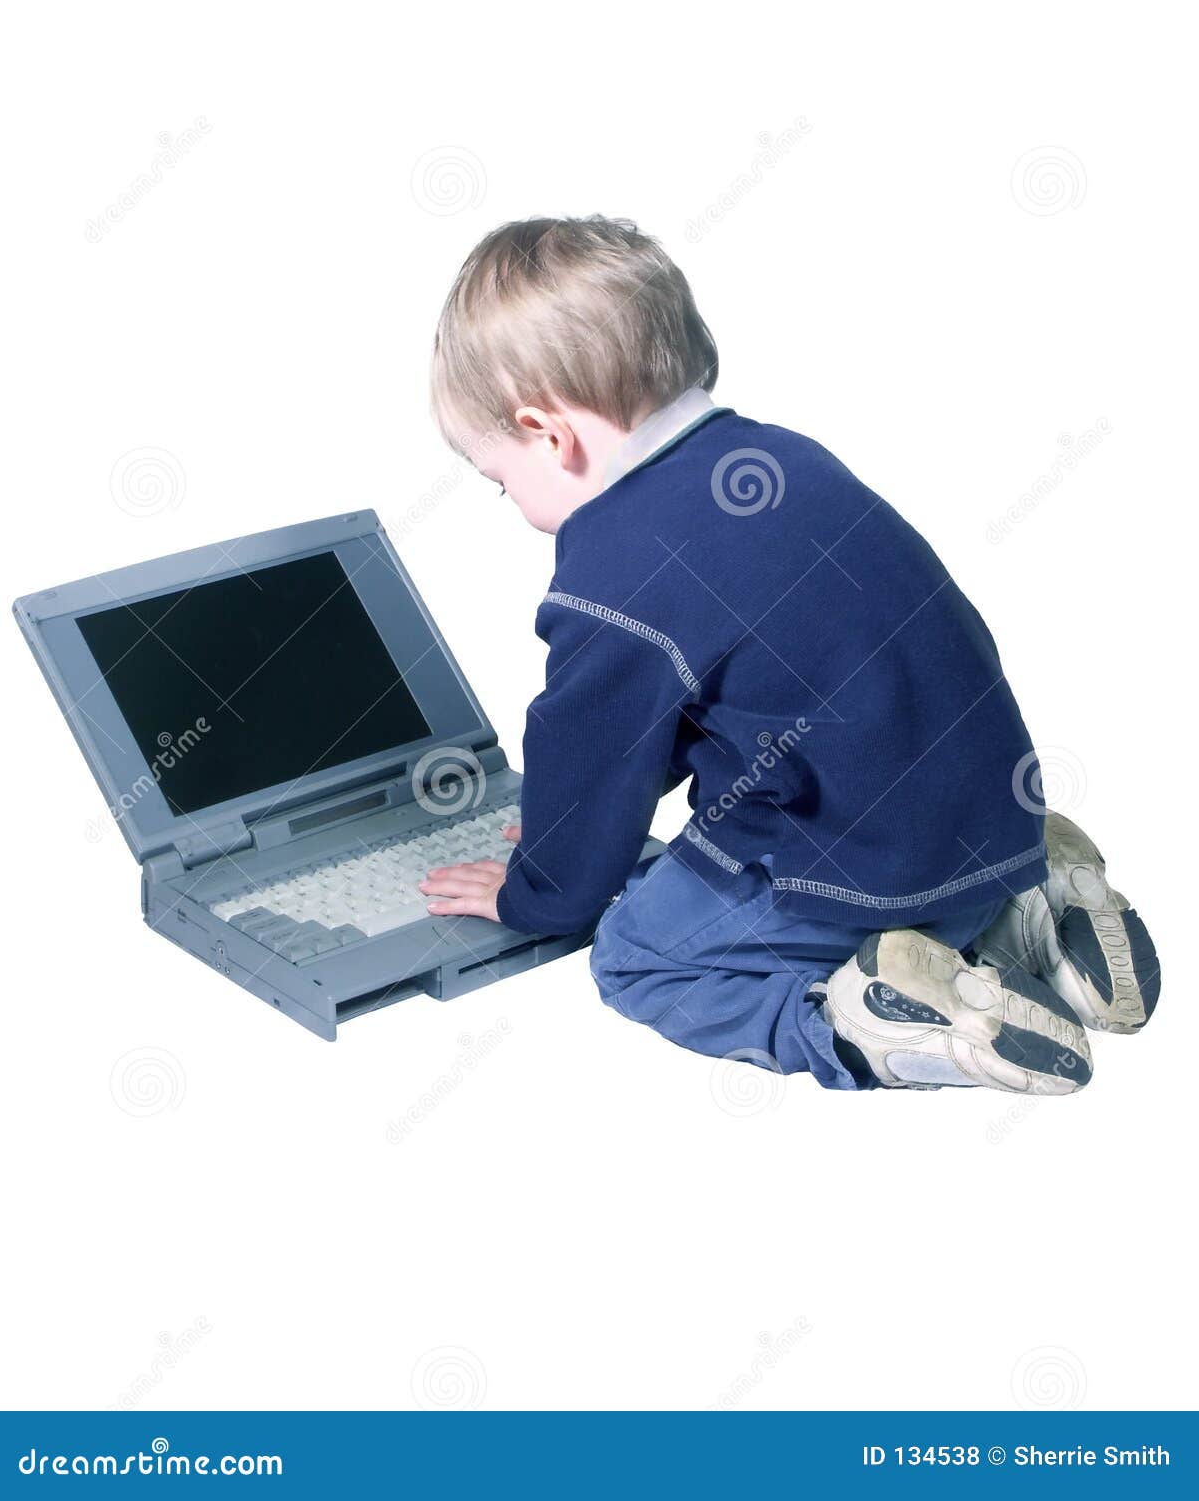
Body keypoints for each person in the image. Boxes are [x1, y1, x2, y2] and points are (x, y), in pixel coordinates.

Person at [419, 215, 1158, 1092]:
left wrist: (540, 881)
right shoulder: (782, 460)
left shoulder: (613, 565)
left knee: (635, 956)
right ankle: (1027, 910)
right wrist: (559, 819)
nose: (512, 499)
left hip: (864, 868)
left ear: (548, 433)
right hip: (995, 819)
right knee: (899, 839)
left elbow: (592, 743)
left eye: (500, 482)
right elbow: (730, 687)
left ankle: (870, 1024)